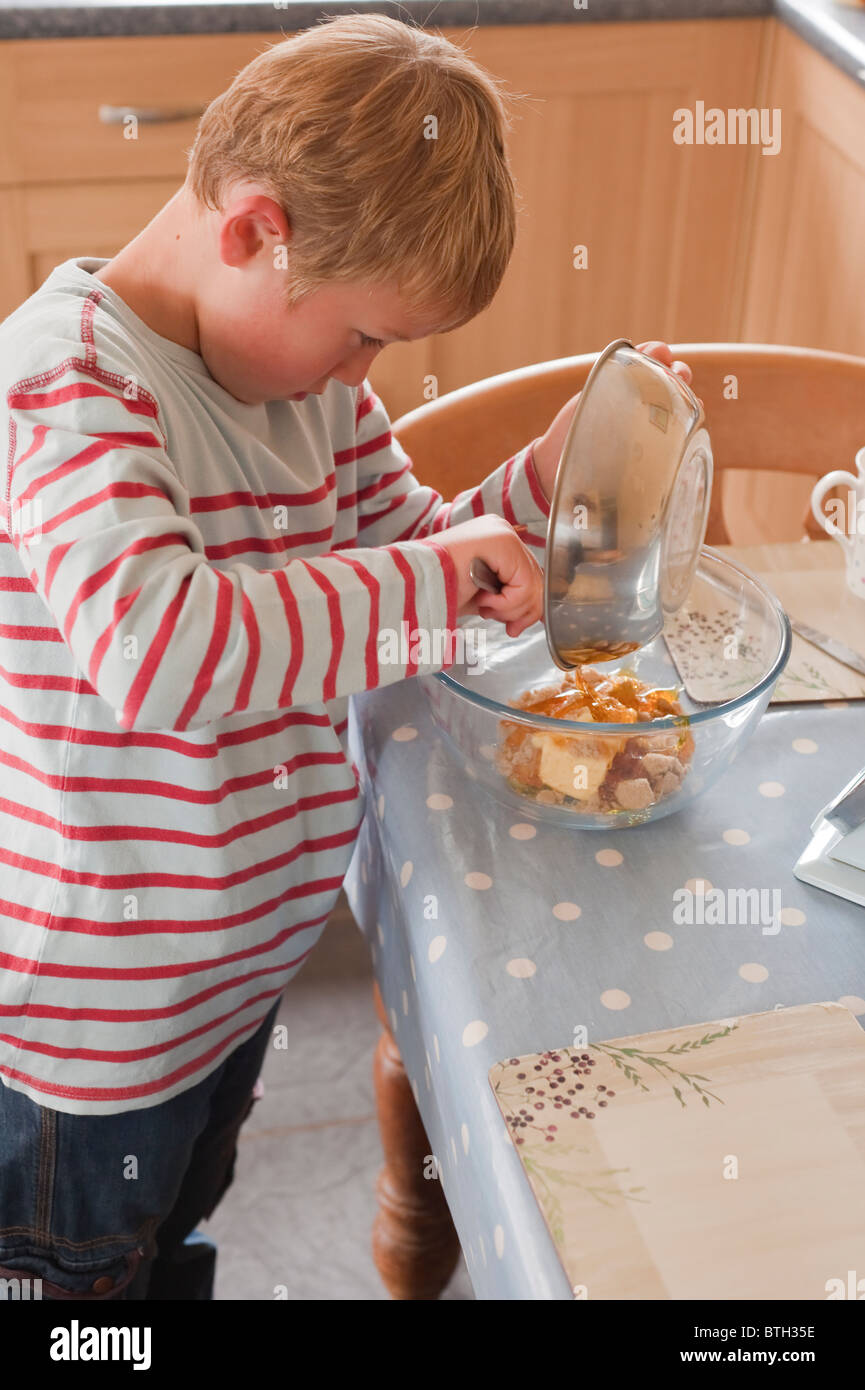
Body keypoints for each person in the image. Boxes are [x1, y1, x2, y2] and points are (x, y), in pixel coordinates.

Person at [0, 13, 690, 1300]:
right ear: (258, 230)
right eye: (366, 334)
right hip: (91, 1029)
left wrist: (544, 491)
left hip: (219, 988)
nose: (366, 372)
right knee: (75, 1285)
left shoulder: (304, 388)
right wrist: (439, 571)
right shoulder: (71, 389)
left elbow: (420, 559)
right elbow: (163, 652)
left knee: (163, 1251)